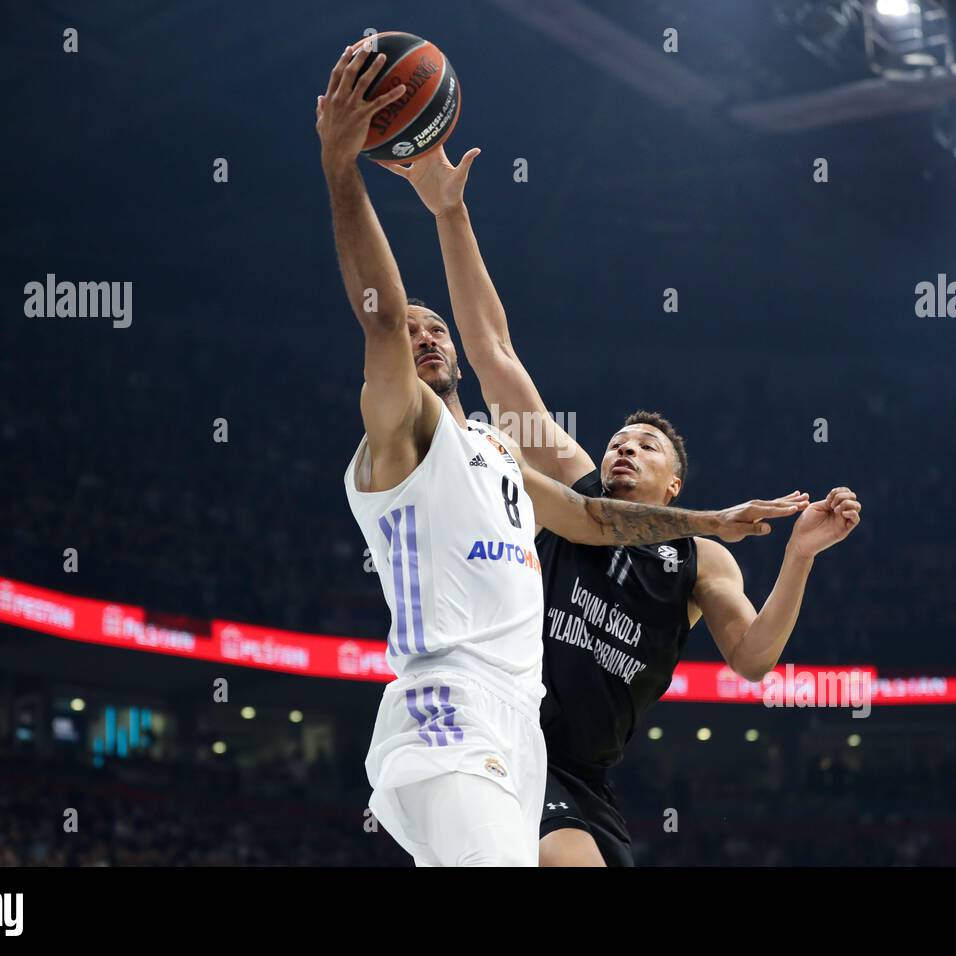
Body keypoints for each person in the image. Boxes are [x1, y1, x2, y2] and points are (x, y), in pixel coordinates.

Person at [318, 45, 803, 867]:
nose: (425, 335)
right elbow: (445, 333)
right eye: (416, 331)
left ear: (675, 476)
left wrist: (727, 527)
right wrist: (358, 172)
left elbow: (594, 523)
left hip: (532, 739)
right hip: (455, 711)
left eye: (644, 444)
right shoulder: (407, 430)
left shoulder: (506, 458)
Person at [383, 142, 863, 866]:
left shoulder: (702, 559)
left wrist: (798, 556)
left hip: (588, 775)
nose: (622, 450)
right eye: (616, 441)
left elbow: (756, 658)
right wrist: (451, 212)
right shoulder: (577, 493)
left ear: (674, 484)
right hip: (510, 738)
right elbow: (493, 351)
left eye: (644, 445)